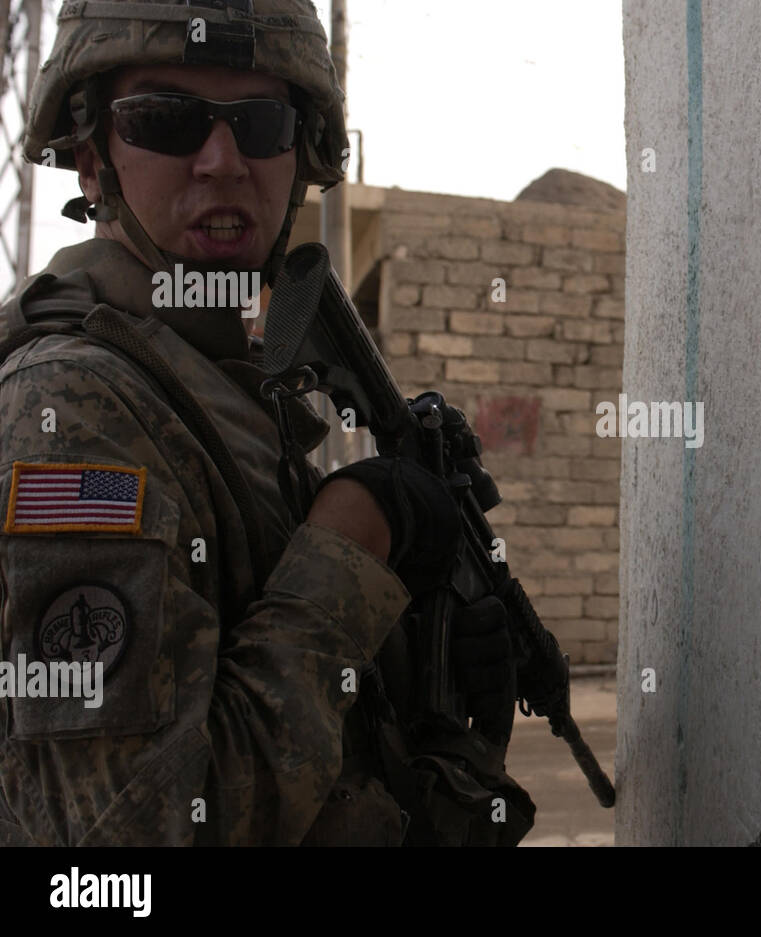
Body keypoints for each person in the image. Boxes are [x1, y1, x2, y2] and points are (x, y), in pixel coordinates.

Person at [0, 0, 501, 846]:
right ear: (91, 160)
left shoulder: (216, 383)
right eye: (164, 119)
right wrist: (352, 540)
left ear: (300, 153)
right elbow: (127, 850)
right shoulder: (72, 410)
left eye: (261, 122)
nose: (223, 160)